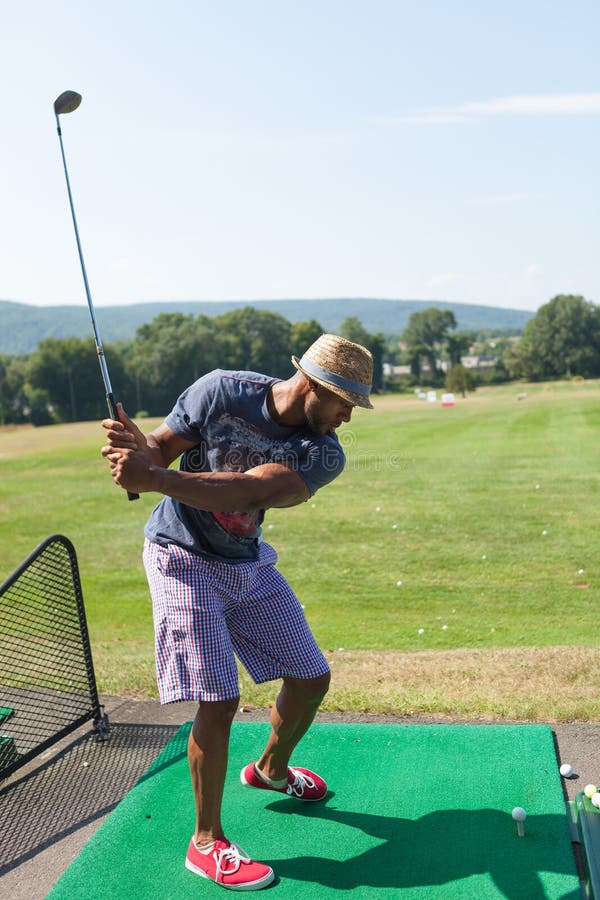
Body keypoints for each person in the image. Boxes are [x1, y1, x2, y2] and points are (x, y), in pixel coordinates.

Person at [101, 333, 374, 891]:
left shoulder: (325, 452)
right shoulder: (220, 391)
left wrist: (153, 477)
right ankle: (205, 842)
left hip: (245, 561)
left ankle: (271, 770)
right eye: (344, 403)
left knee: (311, 676)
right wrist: (136, 450)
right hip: (180, 557)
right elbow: (160, 449)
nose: (347, 417)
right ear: (313, 384)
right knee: (220, 697)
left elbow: (250, 492)